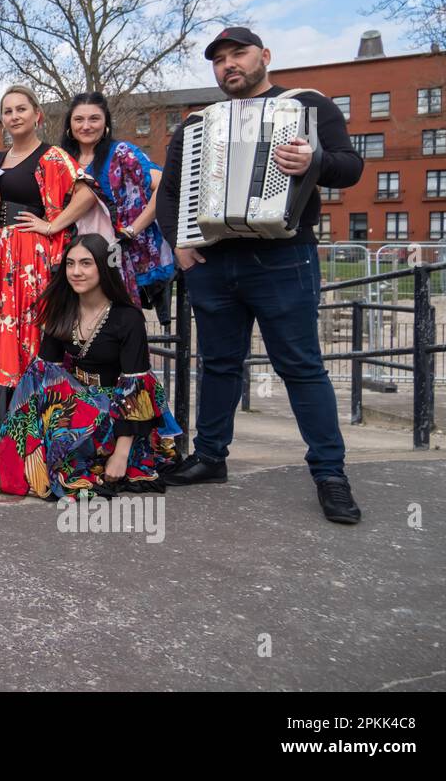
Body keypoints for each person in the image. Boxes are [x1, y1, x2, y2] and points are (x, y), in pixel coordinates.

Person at [156, 27, 365, 524]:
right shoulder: (196, 124)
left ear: (264, 56)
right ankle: (210, 457)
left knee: (300, 365)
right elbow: (168, 193)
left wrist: (313, 159)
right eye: (220, 59)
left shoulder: (308, 106)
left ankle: (330, 474)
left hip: (282, 256)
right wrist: (178, 243)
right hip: (213, 261)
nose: (229, 65)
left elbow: (350, 167)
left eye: (239, 54)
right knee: (218, 364)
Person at [0, 235, 181, 500]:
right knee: (41, 390)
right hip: (76, 403)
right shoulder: (62, 310)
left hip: (116, 411)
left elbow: (135, 392)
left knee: (65, 416)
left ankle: (99, 456)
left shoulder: (128, 317)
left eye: (86, 264)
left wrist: (121, 455)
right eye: (71, 264)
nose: (76, 272)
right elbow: (43, 373)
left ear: (103, 267)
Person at [0, 85, 106, 437]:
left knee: (28, 330)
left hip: (30, 257)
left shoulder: (52, 156)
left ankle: (33, 420)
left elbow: (88, 191)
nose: (14, 116)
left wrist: (51, 225)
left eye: (21, 109)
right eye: (7, 111)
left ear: (37, 115)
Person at [59, 92, 173, 309]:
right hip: (70, 260)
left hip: (113, 257)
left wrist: (133, 229)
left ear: (106, 124)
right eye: (79, 119)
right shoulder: (60, 160)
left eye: (94, 118)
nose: (86, 126)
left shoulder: (122, 154)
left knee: (115, 324)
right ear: (69, 125)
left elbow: (165, 185)